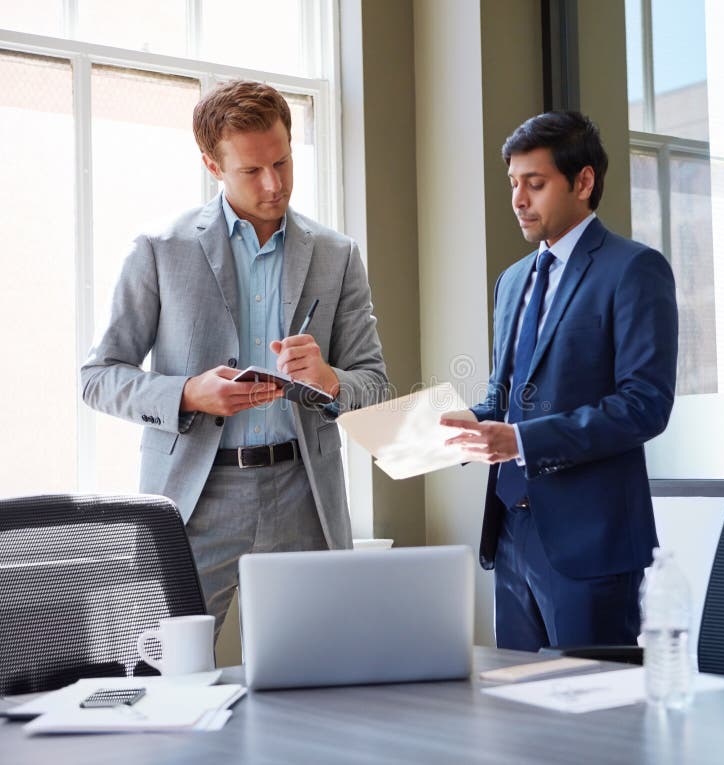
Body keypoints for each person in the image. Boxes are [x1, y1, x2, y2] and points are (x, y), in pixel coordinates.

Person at [82, 80, 387, 636]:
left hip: (305, 493)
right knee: (166, 672)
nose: (274, 184)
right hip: (197, 498)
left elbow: (375, 386)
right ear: (211, 164)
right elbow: (98, 378)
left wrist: (330, 380)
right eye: (252, 171)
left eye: (283, 162)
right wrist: (188, 393)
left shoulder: (337, 254)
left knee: (312, 678)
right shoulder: (158, 249)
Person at [441, 111, 678, 651]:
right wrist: (469, 424)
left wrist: (524, 441)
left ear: (584, 181)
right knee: (520, 717)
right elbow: (502, 394)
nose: (518, 200)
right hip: (509, 534)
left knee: (596, 720)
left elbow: (645, 405)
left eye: (535, 183)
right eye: (513, 184)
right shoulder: (512, 282)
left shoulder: (634, 270)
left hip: (590, 542)